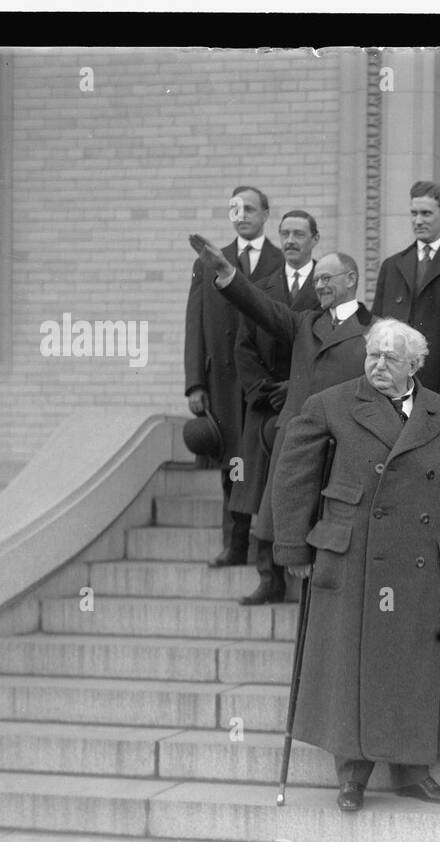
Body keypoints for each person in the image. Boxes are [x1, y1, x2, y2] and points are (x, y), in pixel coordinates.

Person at [270, 318, 440, 812]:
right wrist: (294, 549)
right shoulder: (332, 404)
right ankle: (352, 777)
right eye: (372, 355)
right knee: (351, 667)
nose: (378, 365)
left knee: (414, 669)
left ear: (415, 364)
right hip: (353, 557)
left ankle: (413, 772)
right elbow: (293, 477)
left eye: (390, 357)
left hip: (422, 563)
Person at [188, 237, 372, 554]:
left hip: (345, 453)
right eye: (316, 281)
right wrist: (227, 272)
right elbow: (261, 307)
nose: (320, 286)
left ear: (351, 279)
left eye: (327, 278)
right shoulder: (304, 323)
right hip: (299, 450)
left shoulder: (377, 330)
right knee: (292, 541)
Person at [184, 185, 283, 566]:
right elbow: (194, 322)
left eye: (249, 210)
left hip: (262, 379)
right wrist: (195, 382)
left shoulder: (280, 260)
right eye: (234, 210)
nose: (241, 216)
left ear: (265, 214)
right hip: (223, 381)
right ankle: (234, 543)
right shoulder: (209, 260)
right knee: (232, 465)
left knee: (262, 460)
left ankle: (266, 548)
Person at [231, 209, 323, 604]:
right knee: (263, 492)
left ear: (314, 239)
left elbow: (328, 344)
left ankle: (307, 579)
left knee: (302, 489)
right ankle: (269, 577)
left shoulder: (327, 284)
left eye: (299, 234)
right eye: (284, 233)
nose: (290, 241)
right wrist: (268, 390)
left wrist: (298, 387)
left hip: (308, 404)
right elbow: (243, 346)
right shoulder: (262, 286)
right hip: (267, 404)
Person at [372, 181, 440, 393]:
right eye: (413, 214)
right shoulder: (392, 265)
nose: (418, 221)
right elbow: (377, 327)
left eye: (426, 213)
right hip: (395, 380)